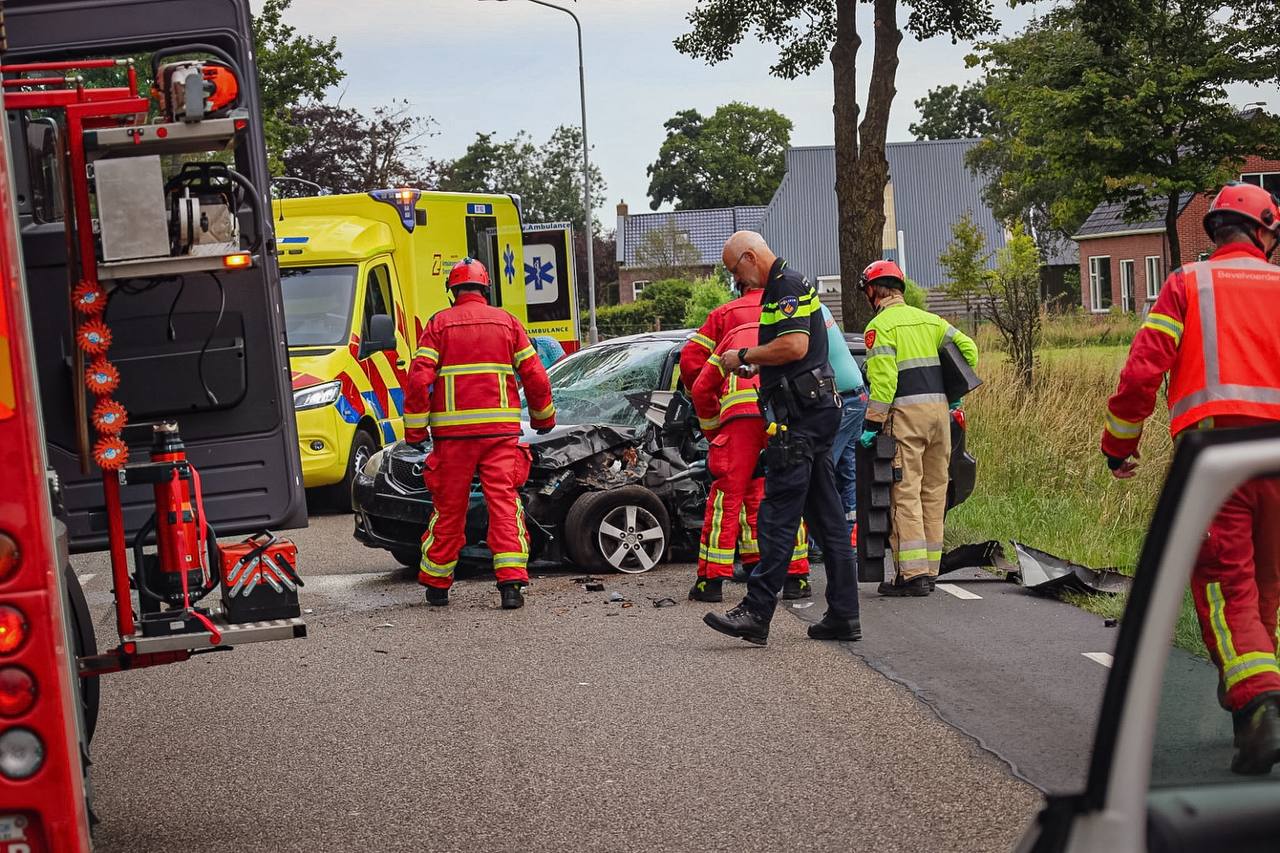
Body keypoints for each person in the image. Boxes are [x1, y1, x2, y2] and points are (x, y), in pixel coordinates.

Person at [1101, 181, 1280, 775]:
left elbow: (1142, 371)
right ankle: (1253, 710)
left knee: (1227, 586)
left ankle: (1259, 705)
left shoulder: (1188, 284)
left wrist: (1118, 444)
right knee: (1266, 585)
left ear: (1215, 230)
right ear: (1263, 233)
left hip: (1215, 459)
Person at [703, 231, 860, 645]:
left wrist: (745, 357)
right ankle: (844, 615)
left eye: (737, 273)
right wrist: (761, 370)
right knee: (828, 521)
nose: (740, 283)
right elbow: (795, 354)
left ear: (751, 257)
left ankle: (756, 613)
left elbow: (793, 345)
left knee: (775, 516)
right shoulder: (787, 284)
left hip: (802, 421)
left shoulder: (785, 286)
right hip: (814, 412)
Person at [402, 258, 556, 610]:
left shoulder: (439, 324)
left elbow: (419, 380)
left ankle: (438, 585)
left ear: (453, 291)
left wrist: (414, 432)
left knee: (448, 509)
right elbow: (535, 376)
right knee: (504, 504)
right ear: (485, 288)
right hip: (499, 435)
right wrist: (543, 419)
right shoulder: (507, 323)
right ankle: (512, 585)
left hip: (452, 438)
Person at [857, 260, 977, 597]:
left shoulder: (880, 327)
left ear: (872, 291)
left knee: (905, 491)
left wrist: (872, 424)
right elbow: (969, 350)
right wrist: (953, 395)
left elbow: (883, 383)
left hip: (905, 417)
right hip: (940, 416)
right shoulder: (932, 321)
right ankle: (930, 570)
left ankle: (911, 575)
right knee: (935, 490)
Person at [689, 320, 811, 603]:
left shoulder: (734, 335)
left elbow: (701, 388)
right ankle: (796, 579)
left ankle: (711, 582)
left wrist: (714, 431)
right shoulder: (790, 332)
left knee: (726, 499)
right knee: (788, 493)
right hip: (780, 421)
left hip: (738, 423)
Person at [822, 304, 868, 526]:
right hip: (856, 397)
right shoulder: (820, 308)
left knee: (823, 466)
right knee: (847, 470)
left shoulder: (805, 314)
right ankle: (850, 532)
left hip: (845, 399)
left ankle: (817, 539)